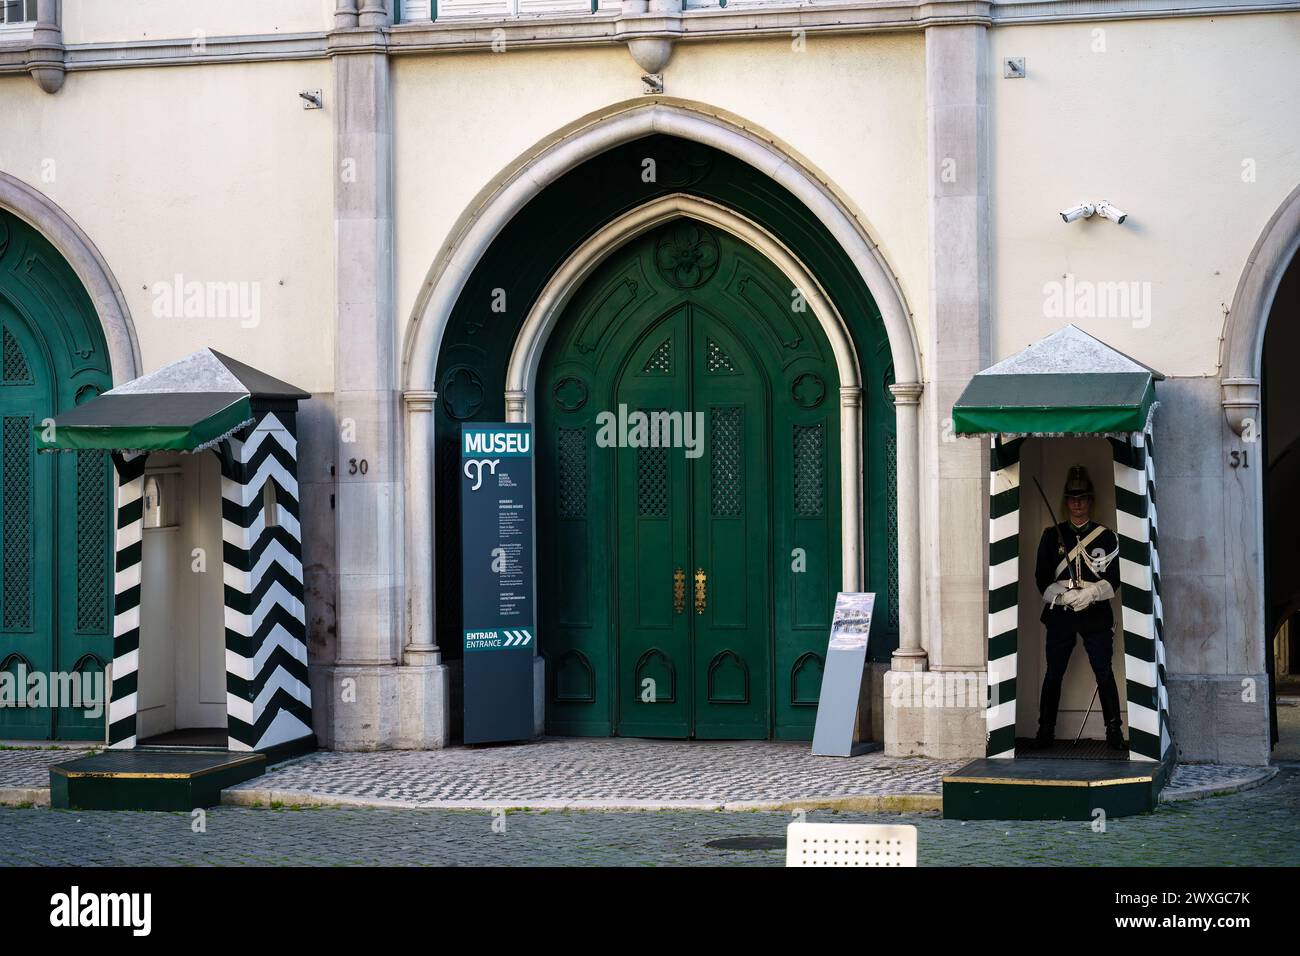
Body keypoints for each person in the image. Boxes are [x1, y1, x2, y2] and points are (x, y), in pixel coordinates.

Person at [1032, 465, 1125, 750]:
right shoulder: (1051, 536)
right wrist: (1062, 597)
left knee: (1104, 671)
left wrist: (1093, 593)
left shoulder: (1106, 537)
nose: (1077, 504)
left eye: (1083, 498)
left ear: (1090, 500)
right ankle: (1045, 731)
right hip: (1061, 614)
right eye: (1073, 498)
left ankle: (1114, 732)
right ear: (1066, 500)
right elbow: (1041, 578)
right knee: (1054, 672)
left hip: (1095, 613)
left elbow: (1115, 579)